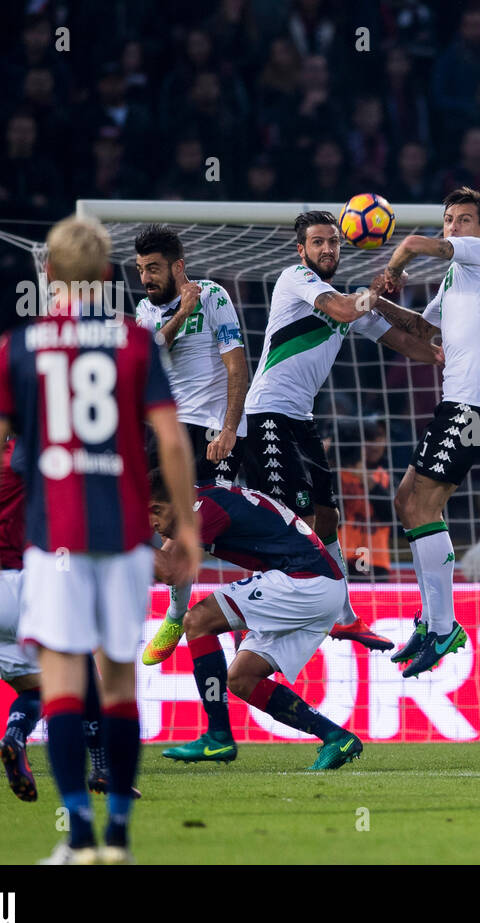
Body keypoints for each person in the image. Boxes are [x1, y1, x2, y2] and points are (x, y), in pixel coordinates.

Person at [0, 214, 200, 863]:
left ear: (48, 275)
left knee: (65, 683)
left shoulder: (21, 346)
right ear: (104, 275)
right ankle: (118, 836)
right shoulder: (134, 342)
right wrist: (183, 525)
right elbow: (174, 441)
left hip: (55, 540)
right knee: (119, 682)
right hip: (123, 537)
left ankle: (78, 838)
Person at [236, 211, 440, 668]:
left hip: (301, 419)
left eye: (333, 242)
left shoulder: (349, 302)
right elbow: (346, 309)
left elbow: (407, 345)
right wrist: (377, 290)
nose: (327, 249)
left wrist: (453, 357)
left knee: (327, 516)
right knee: (293, 517)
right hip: (266, 413)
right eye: (318, 242)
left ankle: (343, 616)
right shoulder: (296, 279)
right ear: (301, 250)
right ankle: (256, 612)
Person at [0, 437, 135, 797]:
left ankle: (14, 736)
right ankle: (103, 766)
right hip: (5, 582)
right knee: (79, 658)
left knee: (40, 687)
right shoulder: (22, 449)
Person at [373, 187, 480, 677]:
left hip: (476, 402)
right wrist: (374, 303)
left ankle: (443, 624)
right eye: (449, 218)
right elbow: (423, 332)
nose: (454, 227)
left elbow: (412, 241)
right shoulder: (455, 279)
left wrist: (393, 268)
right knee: (408, 499)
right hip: (461, 402)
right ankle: (434, 621)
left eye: (464, 219)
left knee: (420, 504)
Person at [148, 471, 361, 770]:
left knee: (197, 620)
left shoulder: (203, 508)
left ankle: (218, 736)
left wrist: (122, 539)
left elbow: (171, 571)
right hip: (321, 588)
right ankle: (336, 737)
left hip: (304, 581)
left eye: (154, 513)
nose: (152, 525)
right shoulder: (206, 501)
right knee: (242, 679)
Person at [135, 226, 249, 672]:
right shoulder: (146, 310)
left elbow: (236, 364)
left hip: (209, 432)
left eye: (155, 268)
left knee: (216, 525)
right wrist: (180, 314)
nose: (146, 277)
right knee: (163, 525)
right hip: (162, 431)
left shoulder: (214, 296)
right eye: (141, 268)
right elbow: (147, 359)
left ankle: (240, 606)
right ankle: (176, 613)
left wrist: (230, 428)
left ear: (177, 266)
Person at [335, 419, 393, 580]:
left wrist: (365, 478)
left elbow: (391, 517)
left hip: (376, 561)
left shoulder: (385, 476)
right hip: (342, 558)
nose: (374, 445)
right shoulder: (336, 474)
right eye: (368, 438)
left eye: (379, 437)